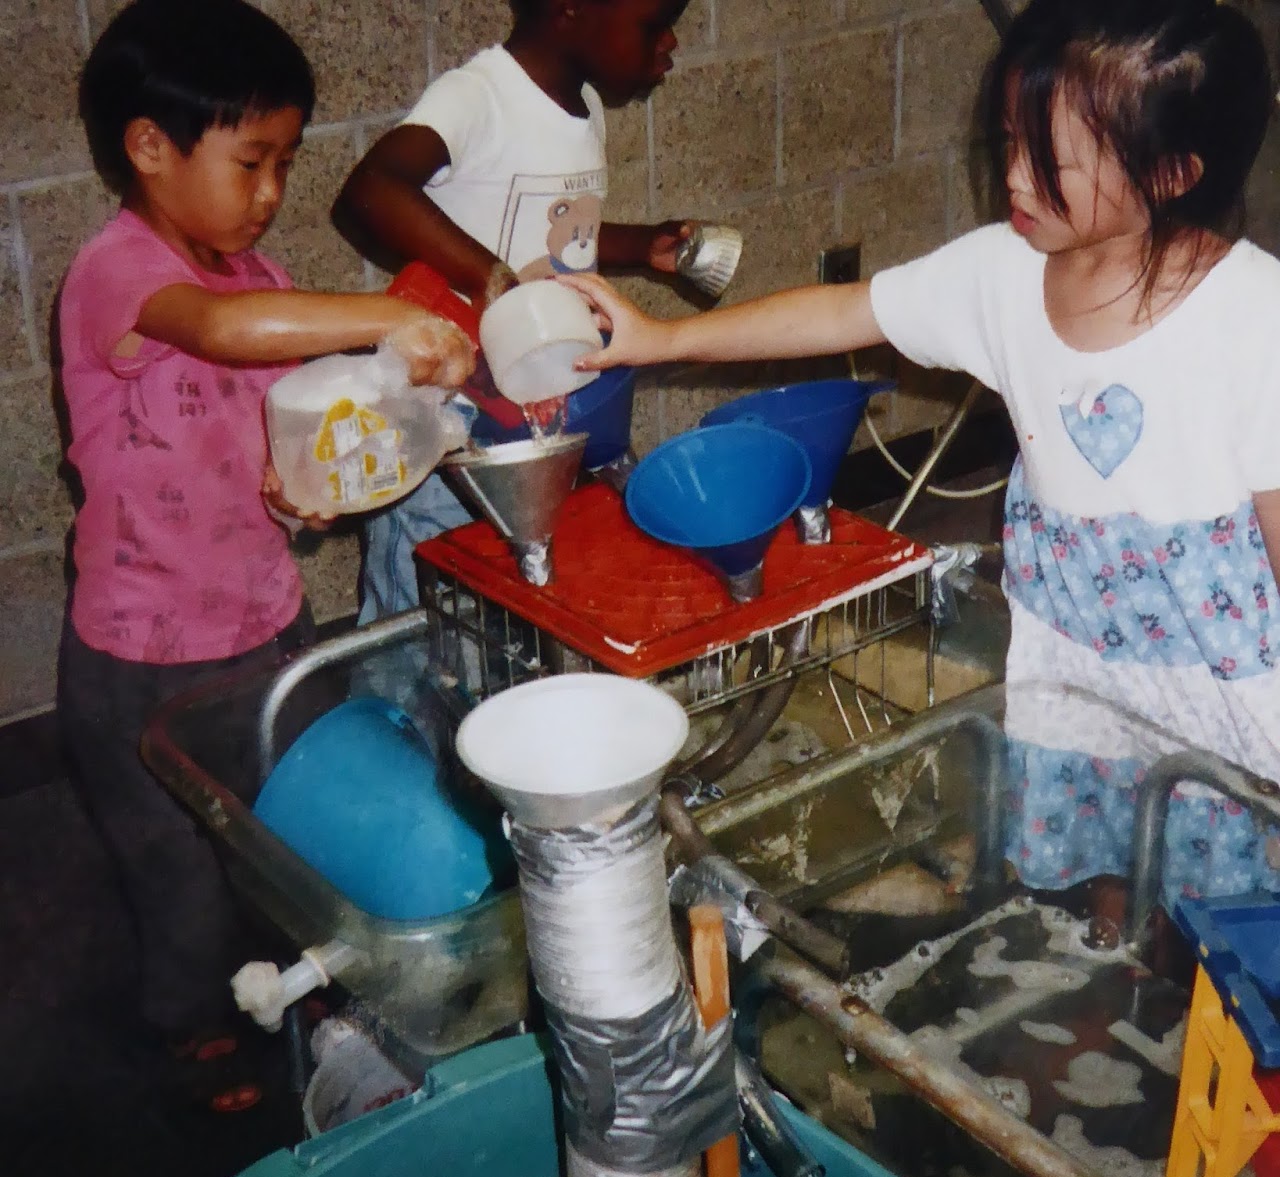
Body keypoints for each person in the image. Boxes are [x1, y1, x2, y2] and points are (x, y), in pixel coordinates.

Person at [570, 0, 1280, 920]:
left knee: (1229, 914)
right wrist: (660, 341)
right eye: (1007, 143)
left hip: (1215, 681)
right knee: (1098, 880)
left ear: (1174, 172)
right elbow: (842, 314)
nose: (1015, 178)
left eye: (1050, 161)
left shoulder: (1252, 314)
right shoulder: (1003, 275)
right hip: (1074, 667)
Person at [59, 0, 474, 1111]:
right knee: (178, 869)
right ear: (150, 147)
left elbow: (279, 429)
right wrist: (385, 317)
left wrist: (309, 492)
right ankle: (187, 1024)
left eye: (284, 162)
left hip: (267, 622)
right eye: (250, 161)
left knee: (292, 833)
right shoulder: (117, 270)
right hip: (140, 656)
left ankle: (312, 986)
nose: (270, 192)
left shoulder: (261, 279)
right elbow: (224, 336)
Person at [334, 0, 699, 622]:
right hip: (451, 435)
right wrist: (491, 280)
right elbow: (372, 191)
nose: (669, 44)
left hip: (533, 414)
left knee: (513, 606)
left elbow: (558, 243)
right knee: (426, 616)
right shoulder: (479, 96)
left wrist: (641, 244)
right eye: (651, 25)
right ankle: (397, 717)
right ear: (571, 11)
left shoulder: (584, 109)